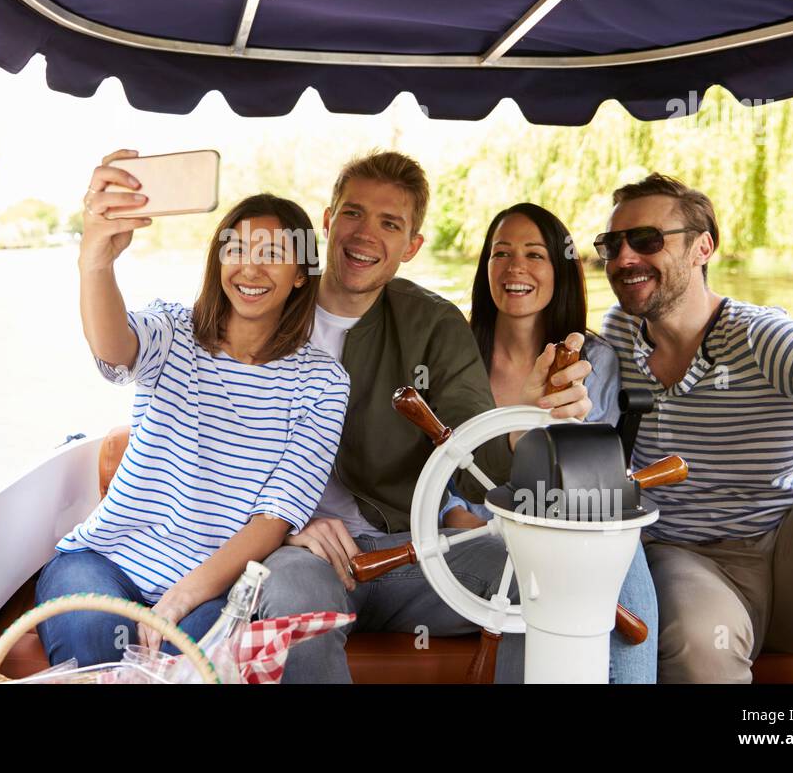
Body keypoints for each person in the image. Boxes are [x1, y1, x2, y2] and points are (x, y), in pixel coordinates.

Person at [257, 151, 595, 683]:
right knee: (293, 595)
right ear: (327, 221)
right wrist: (283, 530)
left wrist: (523, 418)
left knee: (544, 583)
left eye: (389, 223)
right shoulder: (262, 306)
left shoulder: (434, 323)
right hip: (298, 554)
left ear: (411, 246)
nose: (365, 234)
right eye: (353, 213)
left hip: (413, 550)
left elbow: (477, 465)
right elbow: (215, 452)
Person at [597, 172, 793, 683]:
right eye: (611, 244)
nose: (623, 259)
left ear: (703, 247)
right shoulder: (616, 332)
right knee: (696, 644)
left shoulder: (761, 339)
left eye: (646, 240)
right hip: (687, 558)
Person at [34, 151, 350, 668]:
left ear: (300, 274)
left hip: (211, 584)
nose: (250, 267)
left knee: (192, 664)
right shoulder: (174, 330)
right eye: (238, 249)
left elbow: (273, 520)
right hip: (105, 561)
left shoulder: (322, 383)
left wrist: (180, 598)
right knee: (92, 638)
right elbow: (115, 347)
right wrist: (96, 260)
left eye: (273, 253)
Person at [439, 202, 659, 683]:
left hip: (564, 531)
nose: (515, 267)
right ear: (486, 267)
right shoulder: (454, 352)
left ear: (561, 270)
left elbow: (588, 476)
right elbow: (432, 462)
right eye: (501, 253)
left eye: (534, 255)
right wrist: (449, 509)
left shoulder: (593, 359)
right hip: (473, 542)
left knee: (618, 542)